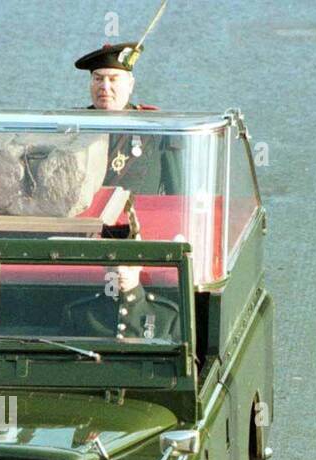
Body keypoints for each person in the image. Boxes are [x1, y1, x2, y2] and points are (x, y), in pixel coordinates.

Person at [74, 42, 180, 194]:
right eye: (98, 79)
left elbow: (177, 193)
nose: (104, 86)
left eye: (113, 79)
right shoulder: (74, 126)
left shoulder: (156, 127)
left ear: (130, 85)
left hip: (138, 216)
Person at [62, 225, 181, 339]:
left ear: (141, 264)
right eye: (114, 263)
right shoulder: (80, 314)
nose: (120, 270)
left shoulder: (167, 315)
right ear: (104, 266)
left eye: (128, 262)